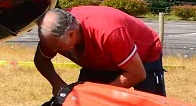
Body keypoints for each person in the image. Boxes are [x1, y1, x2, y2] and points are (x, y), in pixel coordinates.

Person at [34, 5, 165, 95]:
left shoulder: (108, 33)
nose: (53, 50)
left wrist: (102, 94)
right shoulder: (53, 31)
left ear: (72, 34)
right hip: (99, 59)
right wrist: (57, 83)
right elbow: (41, 60)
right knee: (87, 105)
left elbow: (137, 73)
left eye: (57, 47)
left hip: (143, 56)